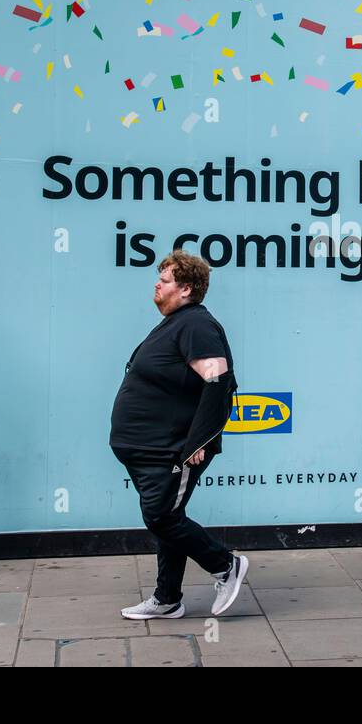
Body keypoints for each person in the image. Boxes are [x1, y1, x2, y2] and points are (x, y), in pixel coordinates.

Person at [110, 250, 249, 620]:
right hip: (146, 448)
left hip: (171, 450)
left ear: (186, 288)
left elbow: (220, 381)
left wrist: (198, 442)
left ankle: (226, 566)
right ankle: (167, 598)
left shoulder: (196, 325)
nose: (157, 283)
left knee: (162, 517)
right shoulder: (175, 323)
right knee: (168, 518)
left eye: (166, 278)